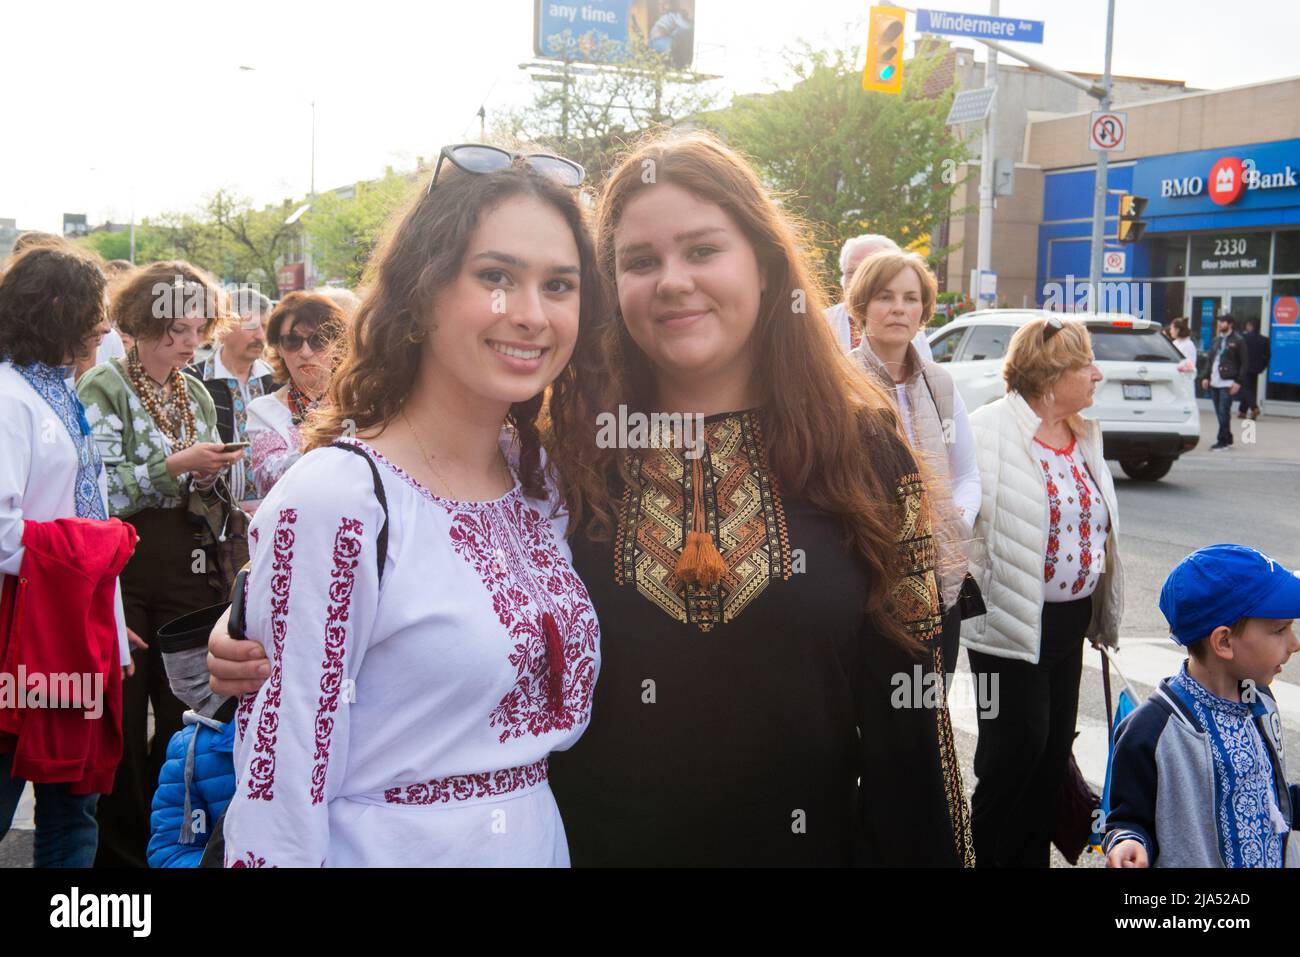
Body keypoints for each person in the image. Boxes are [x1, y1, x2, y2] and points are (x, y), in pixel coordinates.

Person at [208, 131, 974, 867]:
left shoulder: (863, 452)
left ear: (767, 267)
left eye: (704, 249)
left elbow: (914, 726)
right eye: (640, 260)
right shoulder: (562, 453)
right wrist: (252, 619)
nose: (674, 279)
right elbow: (400, 560)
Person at [216, 144, 604, 867]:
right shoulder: (338, 497)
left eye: (559, 284)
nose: (529, 313)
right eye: (495, 276)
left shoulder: (543, 483)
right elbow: (280, 791)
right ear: (420, 297)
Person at [77, 261, 245, 867]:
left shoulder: (196, 389)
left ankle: (176, 840)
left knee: (188, 712)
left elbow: (199, 491)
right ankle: (118, 855)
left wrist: (207, 473)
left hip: (187, 560)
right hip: (119, 563)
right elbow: (95, 491)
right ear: (141, 323)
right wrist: (174, 467)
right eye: (175, 327)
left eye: (197, 329)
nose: (188, 341)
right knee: (119, 719)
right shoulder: (102, 387)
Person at [962, 316, 1124, 867]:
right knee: (1013, 761)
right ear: (1051, 374)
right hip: (1010, 625)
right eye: (1086, 364)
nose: (1098, 374)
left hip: (1068, 623)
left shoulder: (1082, 434)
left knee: (1051, 760)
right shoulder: (987, 430)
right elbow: (956, 523)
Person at [0, 243, 138, 867]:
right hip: (18, 634)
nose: (104, 325)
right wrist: (98, 549)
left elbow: (86, 514)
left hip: (74, 633)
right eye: (93, 307)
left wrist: (108, 632)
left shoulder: (62, 394)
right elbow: (4, 532)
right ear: (55, 311)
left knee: (72, 809)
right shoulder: (7, 397)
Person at [1105, 545, 1300, 868]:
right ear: (1223, 641)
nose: (1295, 643)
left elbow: (1266, 795)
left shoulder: (1261, 699)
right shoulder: (1152, 731)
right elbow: (1128, 817)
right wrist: (1127, 842)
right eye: (1280, 630)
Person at [847, 249, 980, 678]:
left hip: (942, 579)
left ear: (924, 310)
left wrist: (956, 521)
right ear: (861, 305)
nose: (899, 308)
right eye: (885, 297)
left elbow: (967, 475)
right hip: (872, 581)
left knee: (933, 707)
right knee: (881, 718)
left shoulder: (939, 383)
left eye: (911, 297)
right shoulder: (840, 383)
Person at [244, 292, 347, 498]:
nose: (306, 352)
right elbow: (268, 480)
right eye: (293, 341)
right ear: (278, 348)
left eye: (318, 340)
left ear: (337, 345)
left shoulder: (361, 402)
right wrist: (321, 443)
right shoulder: (264, 410)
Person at [825, 233, 934, 360]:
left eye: (871, 272)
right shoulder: (820, 325)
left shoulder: (911, 333)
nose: (858, 282)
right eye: (851, 272)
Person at [1199, 313, 1248, 451]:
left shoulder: (1238, 340)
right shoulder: (1216, 340)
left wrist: (1238, 382)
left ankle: (1222, 442)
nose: (1220, 324)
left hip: (1228, 382)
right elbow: (1210, 361)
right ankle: (1228, 437)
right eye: (1219, 322)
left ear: (1230, 324)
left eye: (1223, 322)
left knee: (1223, 412)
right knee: (1220, 413)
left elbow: (1244, 363)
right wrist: (1205, 377)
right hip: (1214, 381)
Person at [1238, 318, 1270, 421]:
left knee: (1245, 389)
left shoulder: (1243, 338)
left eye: (1247, 325)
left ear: (1251, 326)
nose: (1246, 327)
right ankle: (1242, 411)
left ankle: (1254, 408)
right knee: (1250, 389)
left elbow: (1238, 353)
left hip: (1244, 367)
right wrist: (1262, 367)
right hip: (1256, 369)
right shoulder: (1264, 339)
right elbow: (1267, 356)